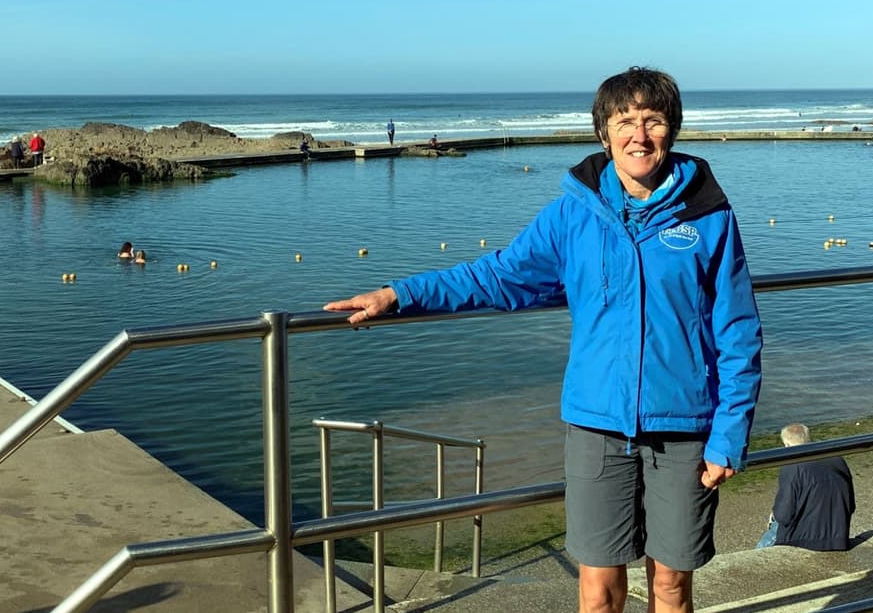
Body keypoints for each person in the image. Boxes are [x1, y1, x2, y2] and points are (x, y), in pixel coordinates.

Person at [325, 66, 763, 613]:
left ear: (672, 129)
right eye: (624, 121)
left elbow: (738, 331)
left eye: (652, 121)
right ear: (603, 132)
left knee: (671, 586)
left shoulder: (710, 217)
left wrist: (729, 436)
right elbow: (498, 276)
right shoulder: (573, 214)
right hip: (597, 426)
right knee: (598, 589)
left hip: (684, 427)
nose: (639, 135)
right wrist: (398, 294)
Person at [757, 423, 855, 551]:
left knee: (761, 548)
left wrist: (774, 515)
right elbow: (851, 505)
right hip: (837, 537)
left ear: (786, 445)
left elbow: (784, 515)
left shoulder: (792, 466)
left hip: (804, 540)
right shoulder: (837, 459)